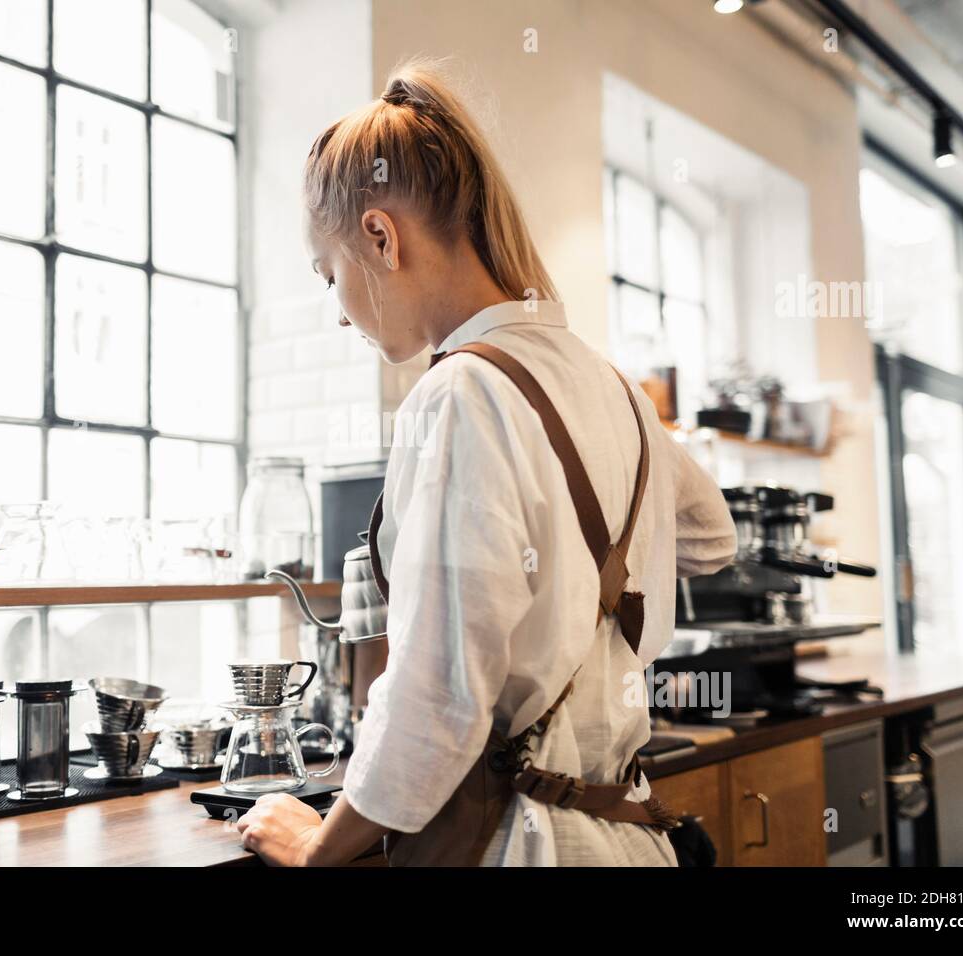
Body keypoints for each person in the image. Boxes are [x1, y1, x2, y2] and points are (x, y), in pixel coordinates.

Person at [236, 59, 736, 866]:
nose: (338, 312)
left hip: (528, 844)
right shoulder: (610, 383)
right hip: (635, 834)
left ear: (378, 236)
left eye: (329, 275)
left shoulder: (458, 394)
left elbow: (438, 694)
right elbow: (714, 540)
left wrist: (316, 848)